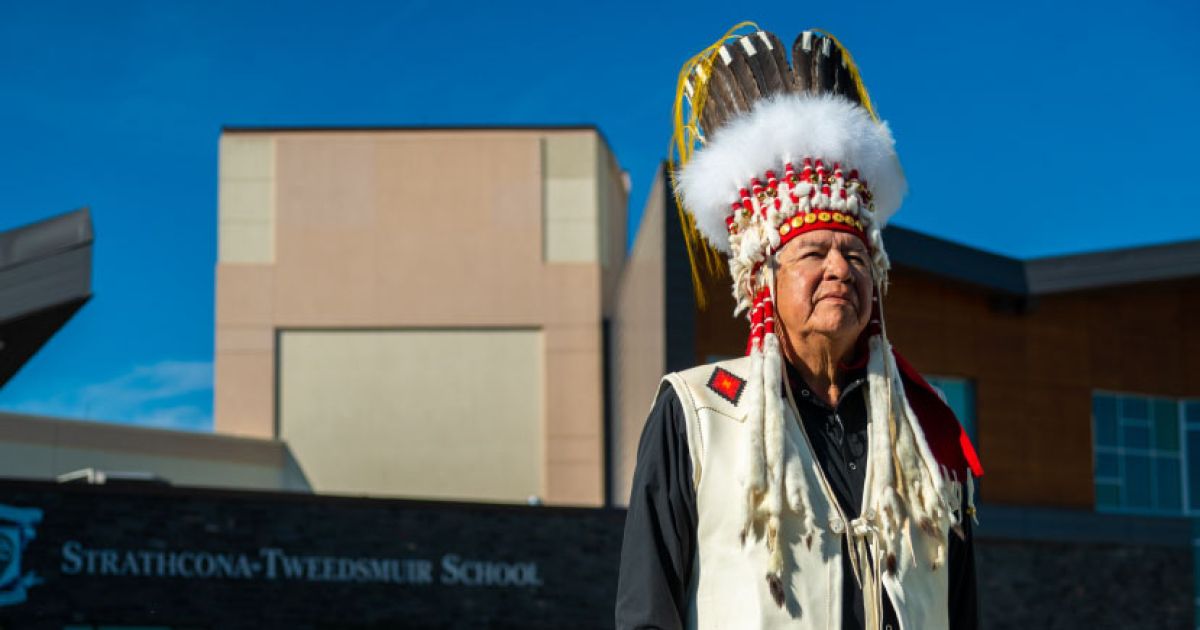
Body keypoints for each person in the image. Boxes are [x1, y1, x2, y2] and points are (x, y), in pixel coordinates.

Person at [615, 26, 984, 630]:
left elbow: (961, 609)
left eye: (857, 254)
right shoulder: (699, 413)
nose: (840, 268)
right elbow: (646, 611)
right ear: (765, 277)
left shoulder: (925, 426)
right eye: (814, 253)